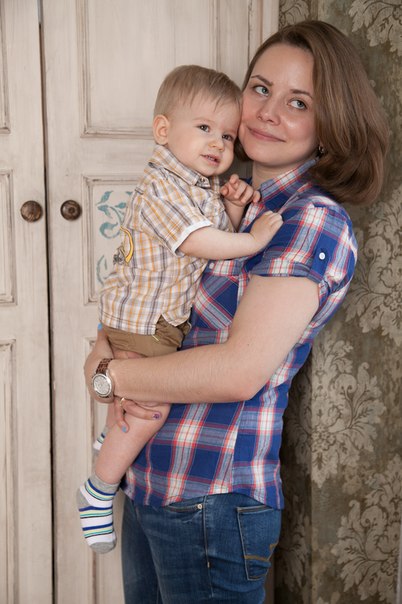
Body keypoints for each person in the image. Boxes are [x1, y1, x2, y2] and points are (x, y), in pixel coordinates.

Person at [84, 20, 388, 604]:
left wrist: (109, 374)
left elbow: (238, 372)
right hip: (149, 480)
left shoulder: (309, 220)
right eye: (260, 88)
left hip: (210, 499)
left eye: (298, 102)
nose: (267, 112)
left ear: (330, 125)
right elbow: (147, 291)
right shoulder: (217, 197)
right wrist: (105, 349)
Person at [77, 64, 283, 554]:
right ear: (163, 130)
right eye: (204, 128)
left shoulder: (195, 184)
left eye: (227, 135)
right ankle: (99, 488)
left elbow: (210, 232)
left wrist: (233, 209)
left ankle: (111, 442)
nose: (218, 143)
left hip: (152, 320)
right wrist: (252, 238)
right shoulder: (162, 187)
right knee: (151, 409)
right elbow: (200, 243)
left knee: (136, 404)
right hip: (144, 322)